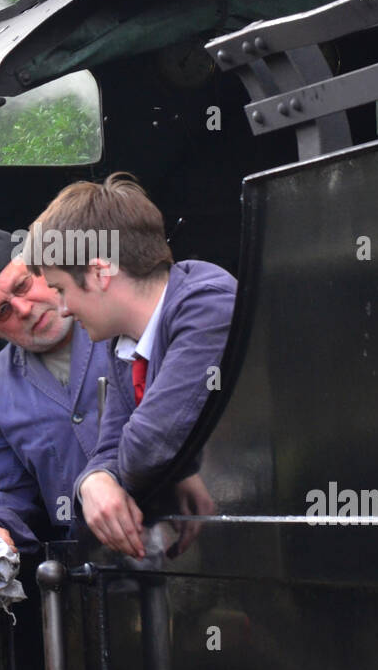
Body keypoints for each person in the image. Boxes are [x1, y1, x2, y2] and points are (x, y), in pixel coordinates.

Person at [0, 227, 215, 583]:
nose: (25, 309)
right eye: (3, 311)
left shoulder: (125, 320)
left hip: (201, 555)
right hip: (93, 582)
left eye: (22, 285)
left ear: (41, 266)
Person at [25, 172, 236, 559]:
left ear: (100, 272)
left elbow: (145, 448)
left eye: (60, 290)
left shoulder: (209, 306)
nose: (63, 309)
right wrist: (92, 482)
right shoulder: (121, 339)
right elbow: (111, 447)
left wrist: (161, 469)